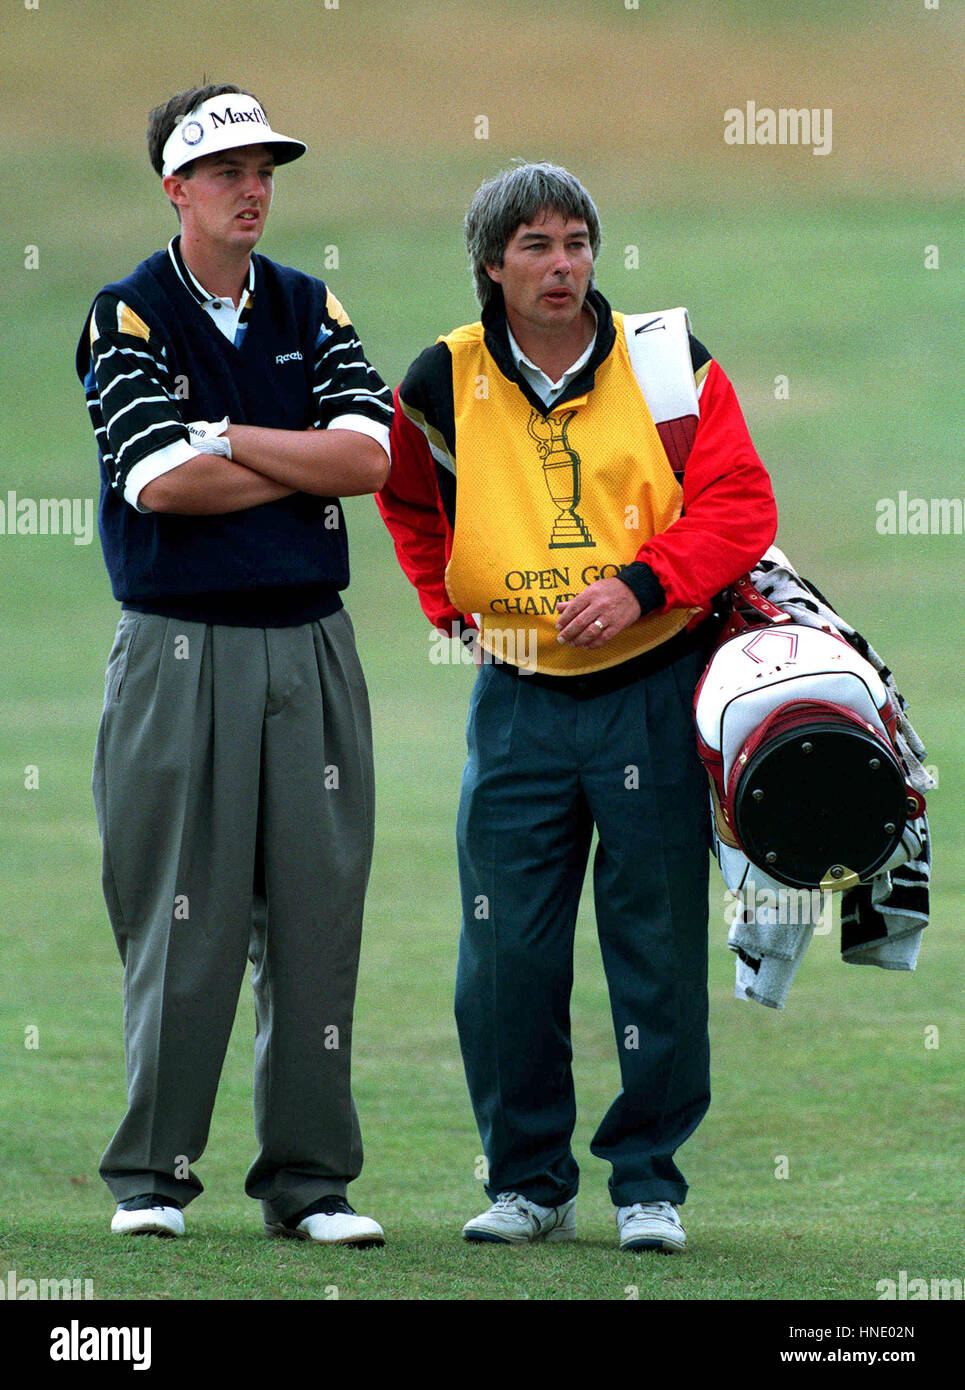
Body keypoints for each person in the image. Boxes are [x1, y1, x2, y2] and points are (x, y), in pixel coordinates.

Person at [377, 162, 778, 1252]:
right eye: (535, 248)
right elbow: (409, 502)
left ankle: (646, 1181)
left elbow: (739, 502)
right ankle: (527, 1181)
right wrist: (451, 611)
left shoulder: (664, 364)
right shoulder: (437, 380)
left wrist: (642, 583)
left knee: (652, 944)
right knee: (502, 951)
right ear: (490, 266)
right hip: (514, 704)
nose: (561, 266)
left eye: (575, 243)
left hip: (652, 689)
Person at [76, 84, 392, 1246]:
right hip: (178, 648)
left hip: (310, 645)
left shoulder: (311, 306)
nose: (251, 190)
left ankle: (310, 1183)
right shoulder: (129, 316)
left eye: (263, 171)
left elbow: (367, 457)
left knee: (317, 917)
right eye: (225, 173)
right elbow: (160, 480)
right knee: (181, 917)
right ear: (177, 188)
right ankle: (151, 1177)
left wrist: (228, 437)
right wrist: (286, 461)